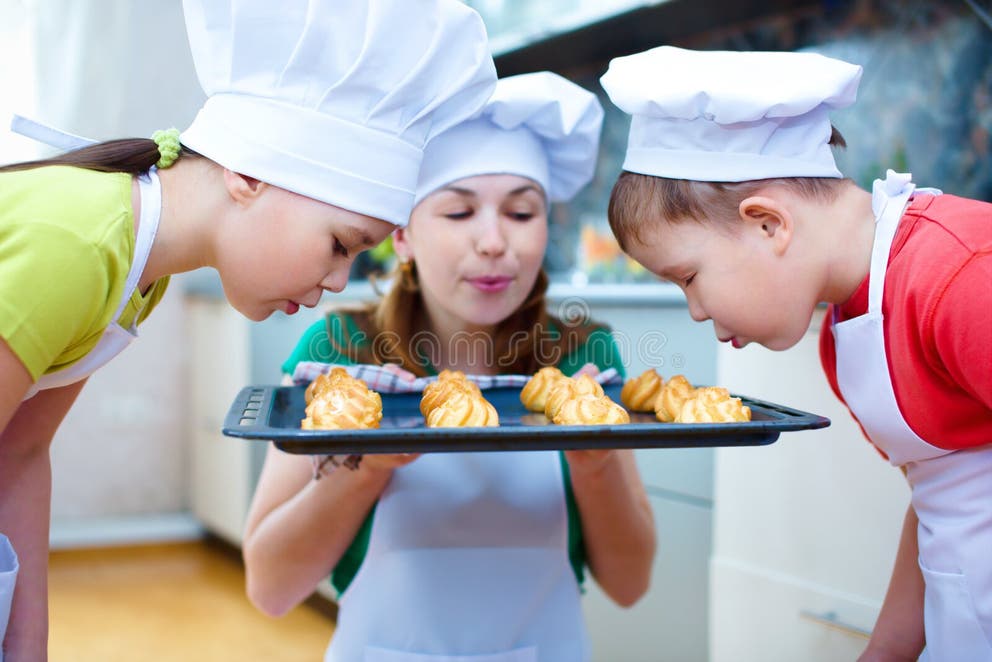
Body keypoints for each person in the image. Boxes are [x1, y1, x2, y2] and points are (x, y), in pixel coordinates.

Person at [0, 0, 497, 659]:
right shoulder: (82, 246)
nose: (339, 281)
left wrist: (27, 643)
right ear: (247, 175)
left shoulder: (139, 270)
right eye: (341, 244)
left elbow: (20, 453)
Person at [242, 71, 657, 661]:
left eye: (521, 213)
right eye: (459, 213)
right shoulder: (338, 355)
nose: (493, 242)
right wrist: (366, 467)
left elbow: (629, 582)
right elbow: (272, 587)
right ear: (403, 234)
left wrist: (596, 465)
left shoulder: (583, 361)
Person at [601, 45, 992, 661]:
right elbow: (944, 498)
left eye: (688, 278)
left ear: (768, 224)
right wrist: (888, 650)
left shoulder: (962, 275)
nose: (696, 311)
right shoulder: (849, 326)